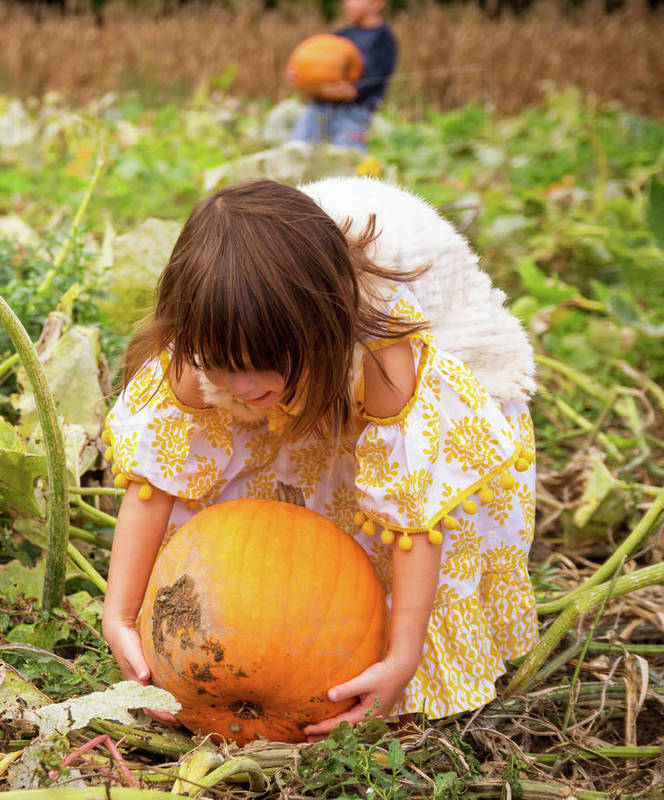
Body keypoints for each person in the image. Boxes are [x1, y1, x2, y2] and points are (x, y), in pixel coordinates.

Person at [100, 176, 539, 741]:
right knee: (249, 461)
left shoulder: (385, 354)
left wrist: (403, 656)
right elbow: (154, 482)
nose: (246, 384)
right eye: (224, 365)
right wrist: (121, 613)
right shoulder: (199, 350)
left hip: (422, 350)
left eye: (263, 364)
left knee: (412, 502)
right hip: (307, 340)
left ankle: (379, 633)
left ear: (318, 333)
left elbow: (416, 513)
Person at [289, 0, 398, 151]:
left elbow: (379, 75)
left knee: (347, 154)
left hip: (355, 110)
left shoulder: (383, 39)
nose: (347, 4)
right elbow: (317, 63)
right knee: (300, 146)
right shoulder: (341, 35)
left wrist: (354, 92)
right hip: (321, 104)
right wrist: (302, 78)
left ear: (377, 3)